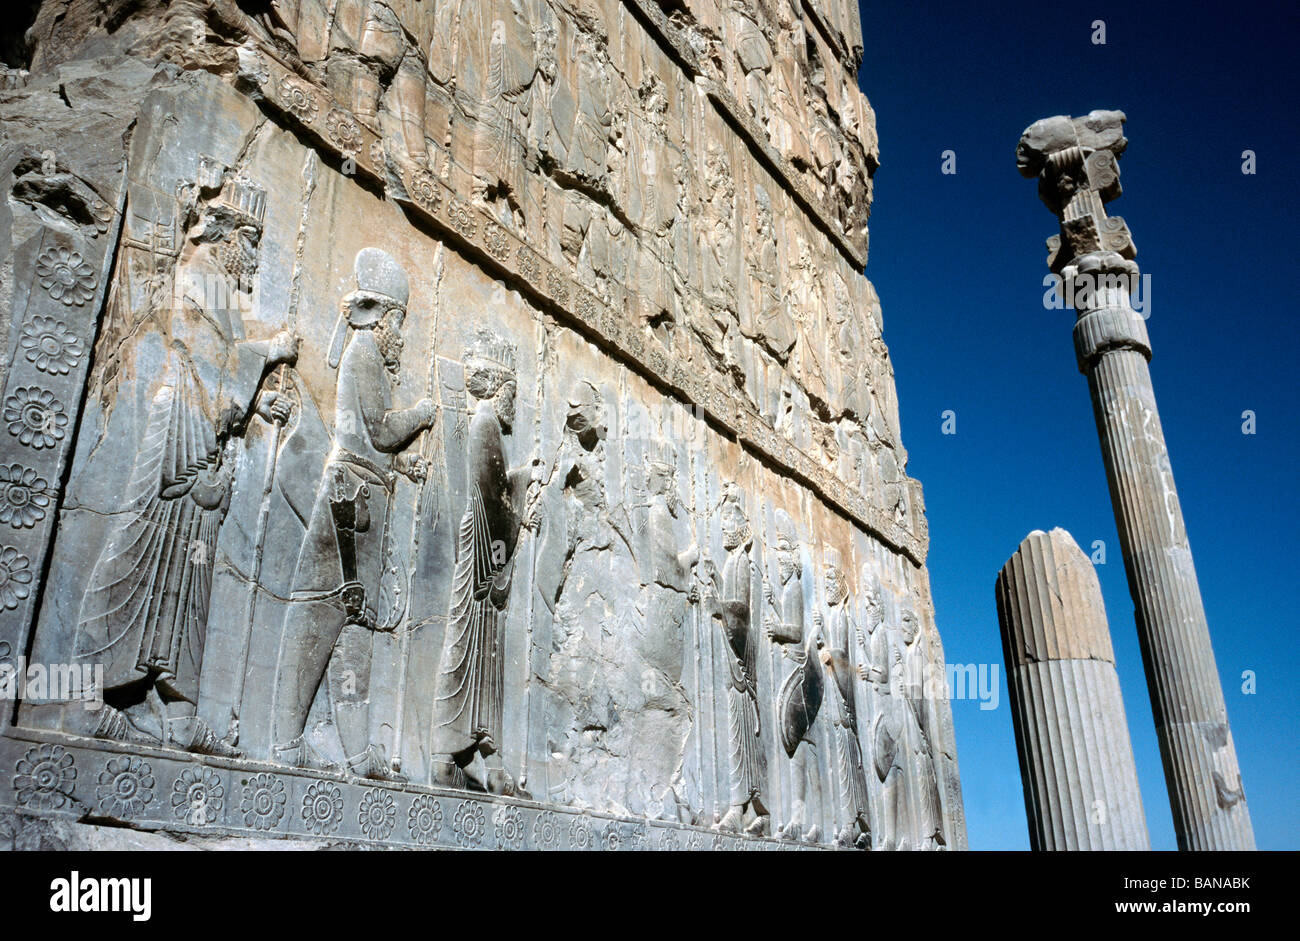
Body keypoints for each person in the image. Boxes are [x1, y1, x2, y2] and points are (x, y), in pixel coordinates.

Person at [269, 247, 433, 779]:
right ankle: (286, 743)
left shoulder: (370, 358)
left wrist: (403, 468)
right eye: (400, 323)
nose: (401, 335)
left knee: (354, 624)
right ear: (382, 317)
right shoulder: (364, 353)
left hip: (366, 497)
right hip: (349, 501)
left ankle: (358, 754)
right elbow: (382, 429)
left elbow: (374, 439)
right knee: (320, 612)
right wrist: (424, 413)